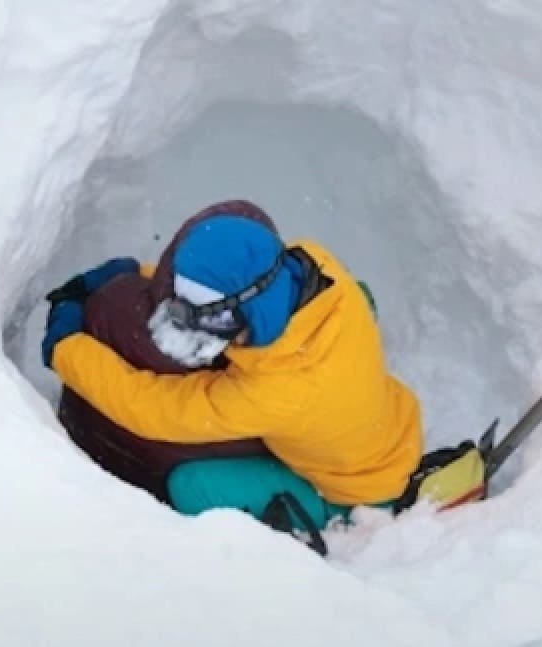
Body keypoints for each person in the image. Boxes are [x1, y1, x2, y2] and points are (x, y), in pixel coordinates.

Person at [40, 204, 424, 548]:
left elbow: (154, 407)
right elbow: (224, 281)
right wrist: (139, 274)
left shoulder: (283, 389)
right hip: (390, 422)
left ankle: (331, 519)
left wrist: (67, 348)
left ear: (253, 306)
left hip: (352, 487)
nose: (190, 326)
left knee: (191, 488)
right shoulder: (314, 265)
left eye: (207, 318)